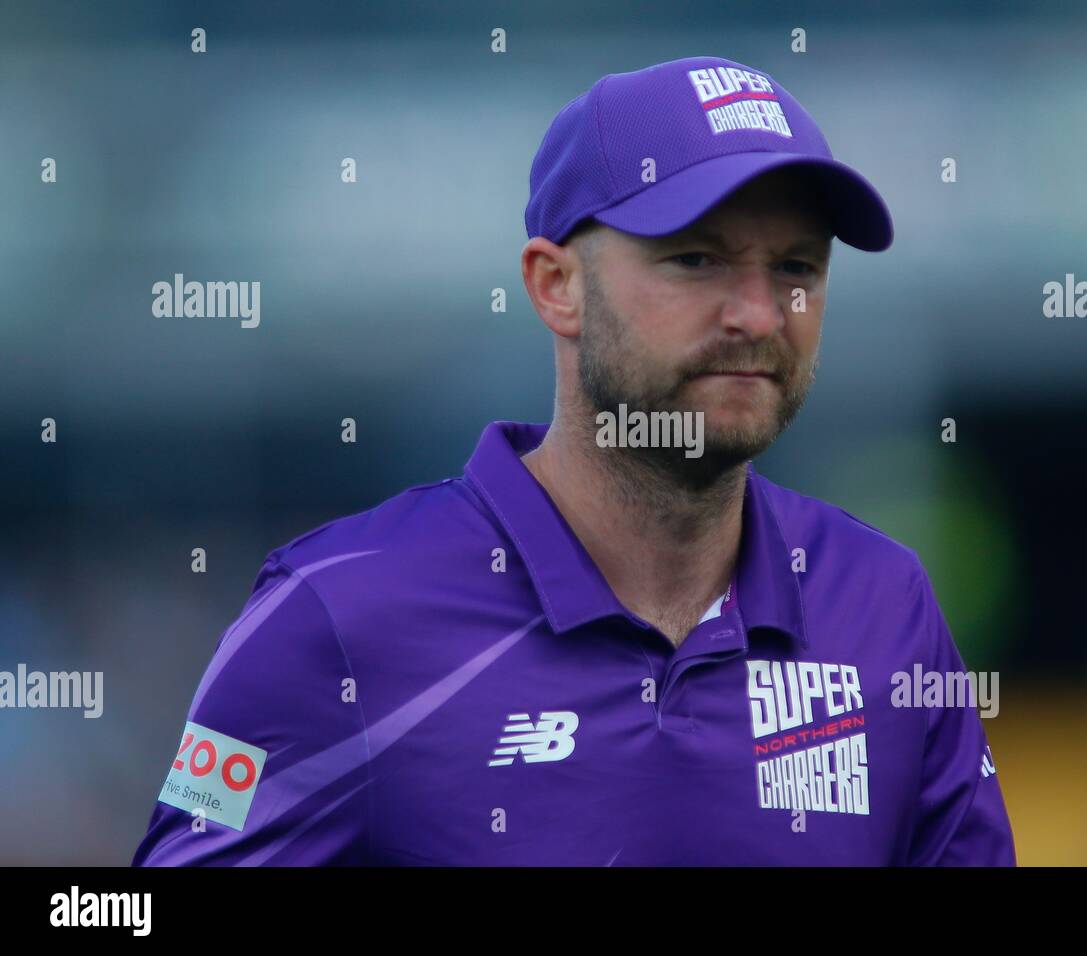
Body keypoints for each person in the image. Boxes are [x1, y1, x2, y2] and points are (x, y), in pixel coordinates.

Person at [132, 55, 1015, 866]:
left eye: (795, 267)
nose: (758, 313)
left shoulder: (881, 602)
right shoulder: (335, 613)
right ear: (557, 285)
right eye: (695, 258)